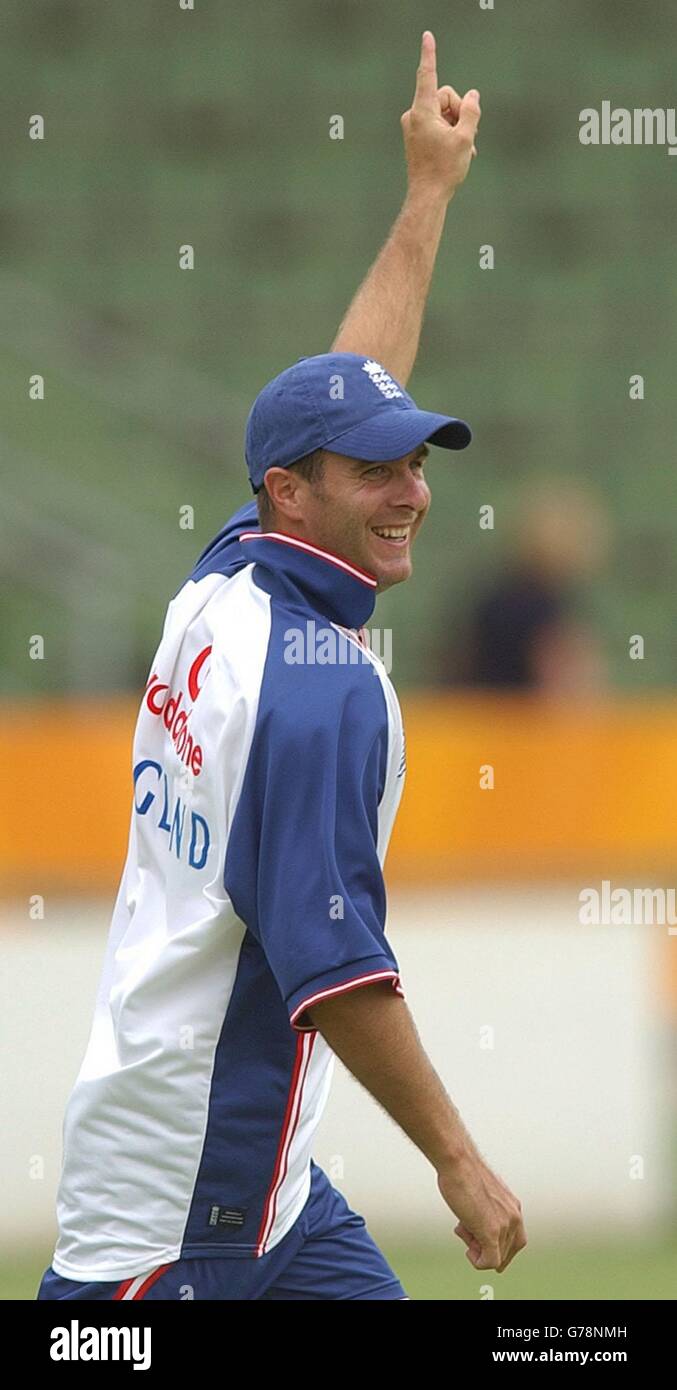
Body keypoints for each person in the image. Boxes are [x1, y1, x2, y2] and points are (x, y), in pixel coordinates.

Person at [37, 31, 525, 1303]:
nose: (412, 491)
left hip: (275, 1196)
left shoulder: (231, 573)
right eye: (380, 470)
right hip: (177, 1211)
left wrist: (425, 198)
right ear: (291, 492)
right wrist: (460, 1164)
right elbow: (338, 975)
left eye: (418, 463)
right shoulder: (316, 690)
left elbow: (341, 393)